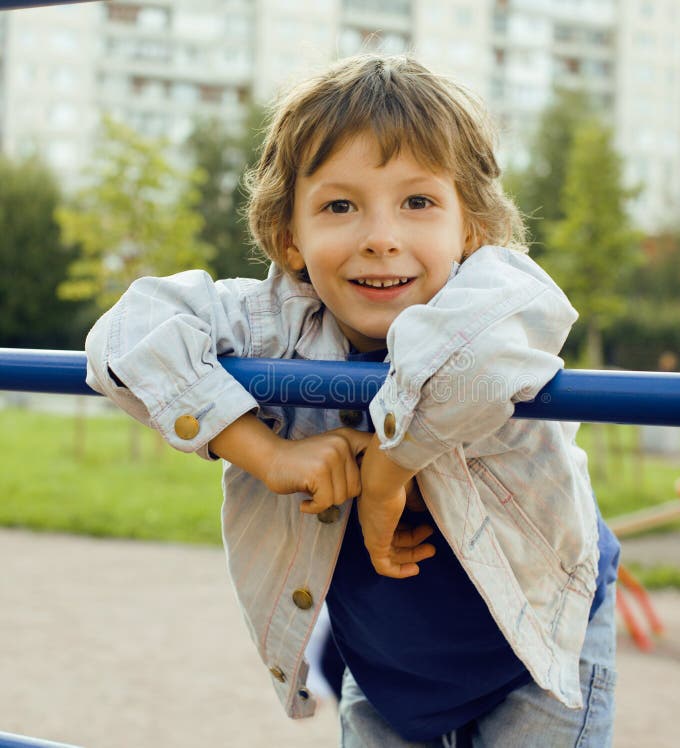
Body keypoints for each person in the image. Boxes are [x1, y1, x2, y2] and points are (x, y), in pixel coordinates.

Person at [85, 54, 620, 747]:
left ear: (471, 230)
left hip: (542, 647)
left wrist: (388, 471)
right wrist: (267, 453)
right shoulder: (277, 321)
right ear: (290, 239)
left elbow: (479, 355)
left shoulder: (497, 294)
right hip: (389, 668)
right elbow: (128, 332)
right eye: (339, 206)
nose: (380, 236)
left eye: (418, 202)